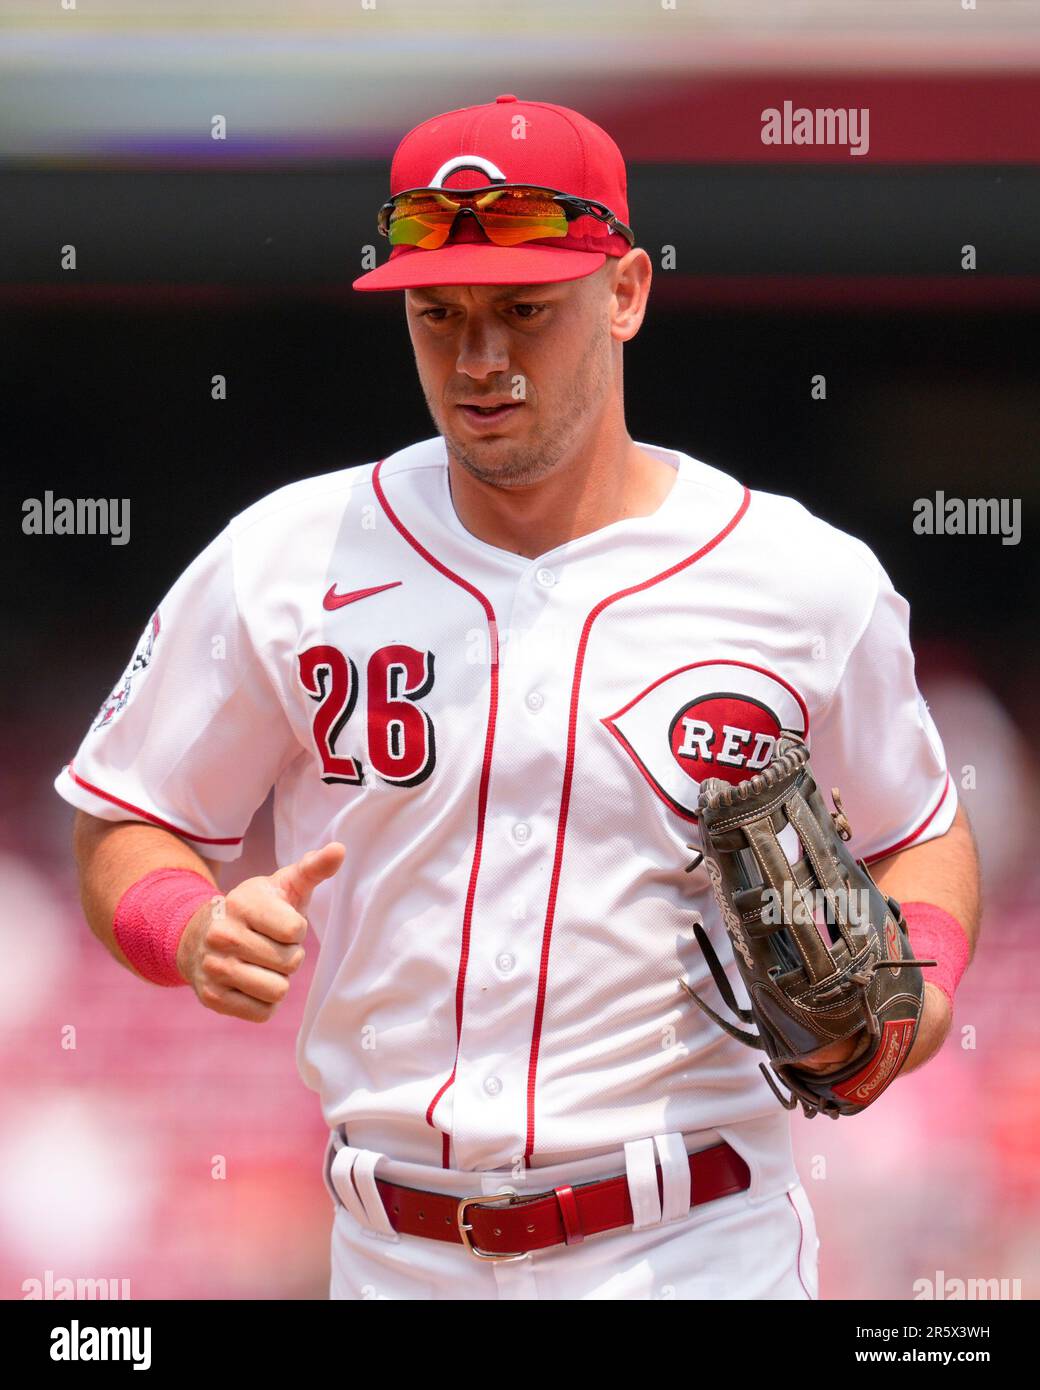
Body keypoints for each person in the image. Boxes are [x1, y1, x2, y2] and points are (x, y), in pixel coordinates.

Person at [56, 95, 979, 1300]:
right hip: (389, 1254)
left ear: (626, 294)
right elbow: (126, 818)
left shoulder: (798, 578)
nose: (477, 358)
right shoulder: (285, 554)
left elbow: (919, 831)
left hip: (694, 1244)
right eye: (437, 314)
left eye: (523, 311)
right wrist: (185, 927)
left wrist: (923, 993)